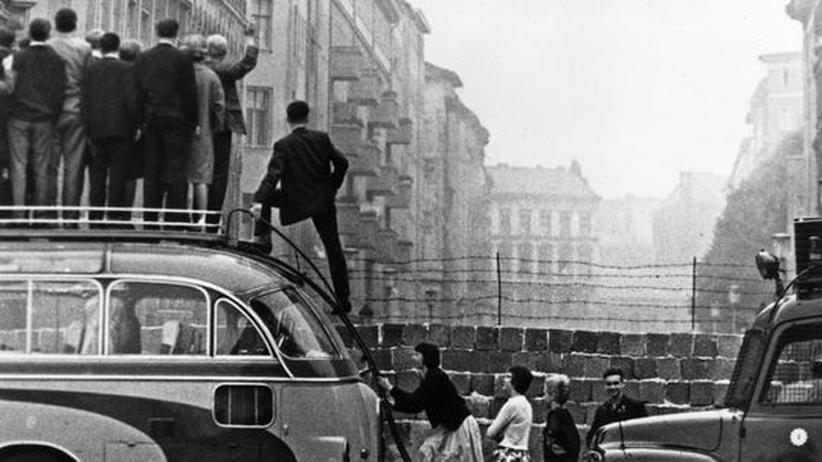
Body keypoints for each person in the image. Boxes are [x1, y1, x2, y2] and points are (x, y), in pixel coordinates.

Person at [250, 101, 352, 313]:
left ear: (287, 120)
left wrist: (258, 200)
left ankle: (262, 238)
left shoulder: (283, 145)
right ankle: (343, 299)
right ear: (308, 117)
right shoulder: (322, 139)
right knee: (333, 248)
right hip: (322, 202)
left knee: (266, 196)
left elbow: (273, 176)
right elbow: (342, 163)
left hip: (295, 201)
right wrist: (331, 187)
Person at [135, 18, 198, 226]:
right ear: (176, 34)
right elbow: (189, 93)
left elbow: (139, 92)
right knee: (176, 170)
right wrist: (192, 122)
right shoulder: (182, 59)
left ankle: (150, 219)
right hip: (177, 121)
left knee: (151, 169)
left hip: (152, 120)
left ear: (156, 32)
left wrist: (140, 120)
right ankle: (174, 220)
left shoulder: (144, 58)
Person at [377, 342, 484, 462]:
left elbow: (415, 402)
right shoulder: (431, 377)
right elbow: (417, 404)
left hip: (458, 426)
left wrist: (390, 388)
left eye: (417, 355)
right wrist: (394, 404)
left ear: (425, 357)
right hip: (449, 426)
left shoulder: (435, 377)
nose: (414, 358)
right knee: (428, 451)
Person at [7, 19, 66, 217]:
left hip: (19, 117)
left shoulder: (18, 57)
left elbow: (10, 87)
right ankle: (41, 215)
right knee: (42, 167)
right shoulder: (57, 60)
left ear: (30, 34)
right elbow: (59, 93)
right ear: (48, 34)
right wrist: (54, 116)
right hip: (45, 118)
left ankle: (18, 215)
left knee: (19, 166)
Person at [82, 32, 139, 225]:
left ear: (101, 47)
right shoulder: (128, 69)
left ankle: (95, 216)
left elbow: (86, 101)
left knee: (97, 174)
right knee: (118, 173)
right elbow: (132, 100)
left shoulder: (91, 70)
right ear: (117, 47)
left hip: (97, 128)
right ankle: (114, 215)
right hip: (122, 128)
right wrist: (136, 124)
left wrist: (88, 127)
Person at [205, 25, 258, 228]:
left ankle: (196, 214)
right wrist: (250, 39)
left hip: (200, 123)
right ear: (225, 52)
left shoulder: (202, 67)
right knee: (220, 172)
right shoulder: (224, 70)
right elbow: (247, 63)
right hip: (222, 125)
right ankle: (212, 218)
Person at [48, 8, 92, 222]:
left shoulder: (48, 47)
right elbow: (89, 81)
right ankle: (70, 215)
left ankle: (47, 213)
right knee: (74, 167)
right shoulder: (84, 48)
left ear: (55, 24)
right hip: (76, 110)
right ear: (75, 23)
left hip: (50, 112)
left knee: (49, 165)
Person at [180, 34, 224, 228]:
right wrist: (215, 128)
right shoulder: (211, 76)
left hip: (181, 130)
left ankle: (182, 215)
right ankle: (201, 219)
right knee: (201, 179)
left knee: (182, 176)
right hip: (204, 133)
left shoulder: (181, 73)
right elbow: (219, 107)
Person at [585, 368, 647, 449]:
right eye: (609, 384)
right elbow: (592, 435)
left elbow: (644, 435)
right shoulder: (602, 410)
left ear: (622, 384)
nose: (612, 387)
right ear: (605, 386)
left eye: (616, 383)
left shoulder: (635, 407)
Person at [486, 365, 534, 462]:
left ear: (515, 382)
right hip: (523, 455)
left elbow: (491, 432)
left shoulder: (511, 405)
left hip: (507, 454)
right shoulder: (527, 405)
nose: (504, 379)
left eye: (508, 377)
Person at [118, 39, 144, 215]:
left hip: (110, 125)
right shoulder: (138, 74)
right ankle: (125, 212)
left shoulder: (113, 70)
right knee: (130, 173)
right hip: (130, 129)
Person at [542, 374, 580, 462]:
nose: (543, 397)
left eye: (545, 393)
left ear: (553, 395)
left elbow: (552, 442)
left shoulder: (555, 417)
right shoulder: (566, 416)